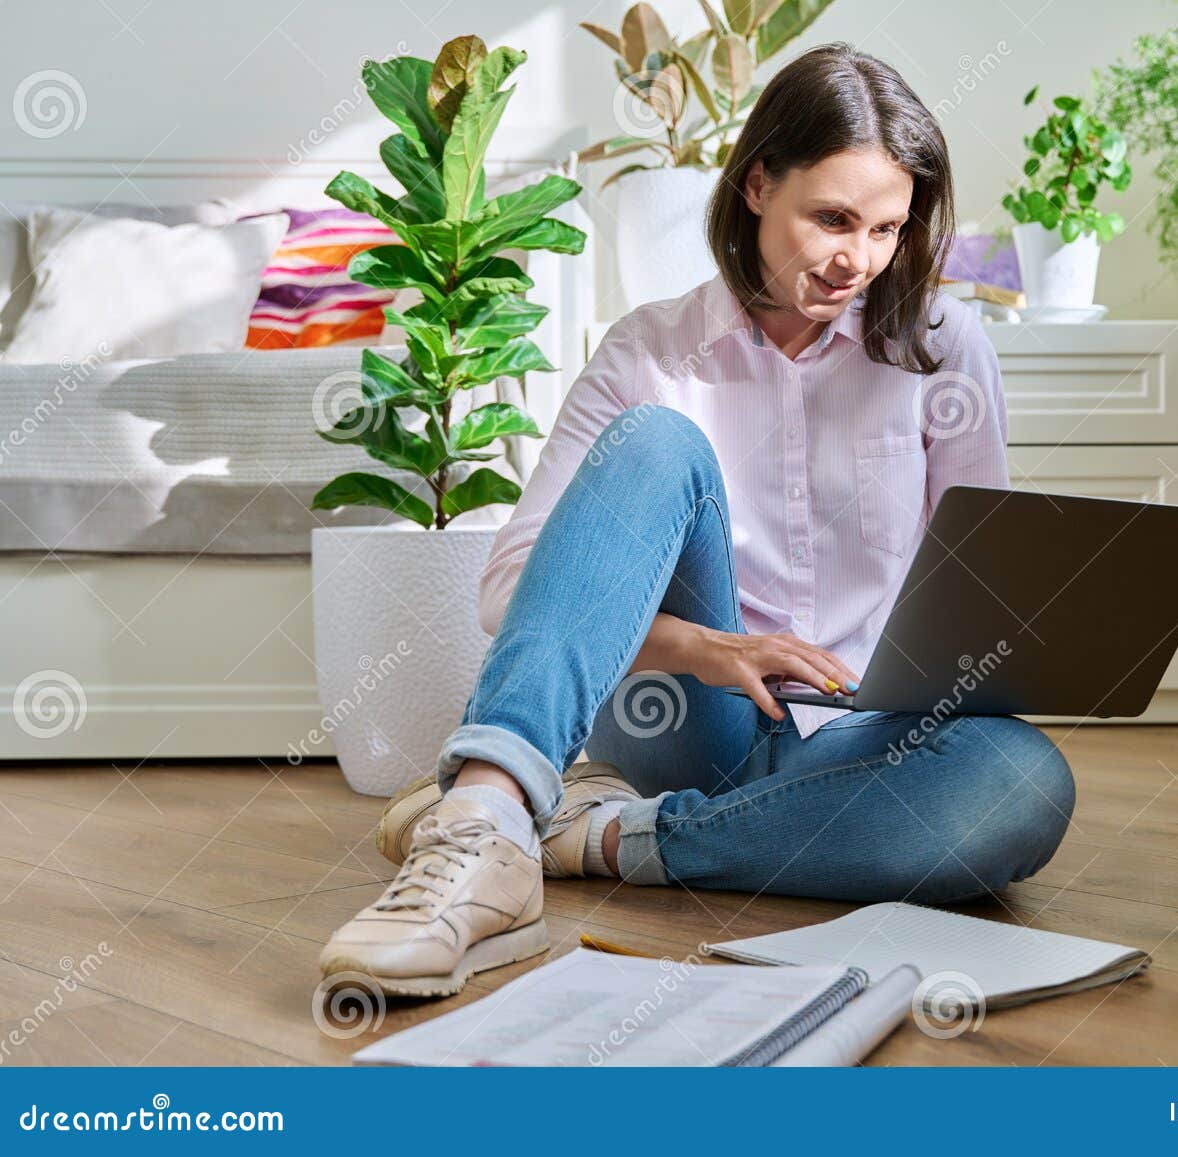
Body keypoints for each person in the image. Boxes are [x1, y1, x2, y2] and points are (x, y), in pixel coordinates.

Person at [320, 42, 1076, 999]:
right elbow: (506, 590)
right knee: (655, 441)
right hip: (683, 721)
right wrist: (710, 650)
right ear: (758, 184)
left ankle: (604, 837)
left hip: (861, 729)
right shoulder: (651, 349)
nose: (860, 259)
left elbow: (985, 579)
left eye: (887, 229)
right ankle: (486, 811)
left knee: (1023, 785)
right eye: (833, 219)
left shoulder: (941, 347)